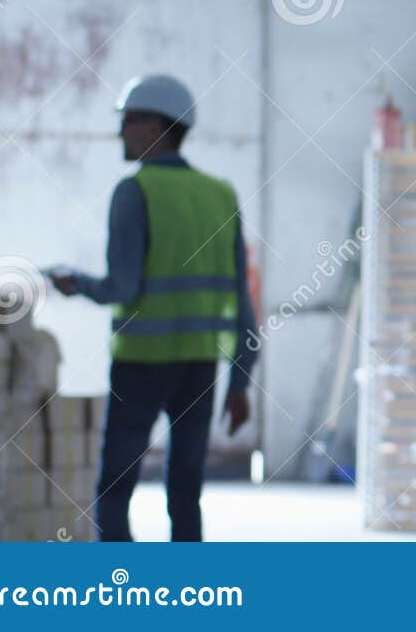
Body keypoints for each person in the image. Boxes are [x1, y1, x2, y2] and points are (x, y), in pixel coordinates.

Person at [48, 74, 257, 542]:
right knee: (186, 492)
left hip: (141, 366)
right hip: (199, 367)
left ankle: (123, 598)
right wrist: (240, 381)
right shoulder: (220, 195)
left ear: (157, 127)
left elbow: (121, 287)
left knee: (115, 489)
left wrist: (75, 284)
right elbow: (242, 297)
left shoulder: (134, 191)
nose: (120, 132)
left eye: (128, 121)